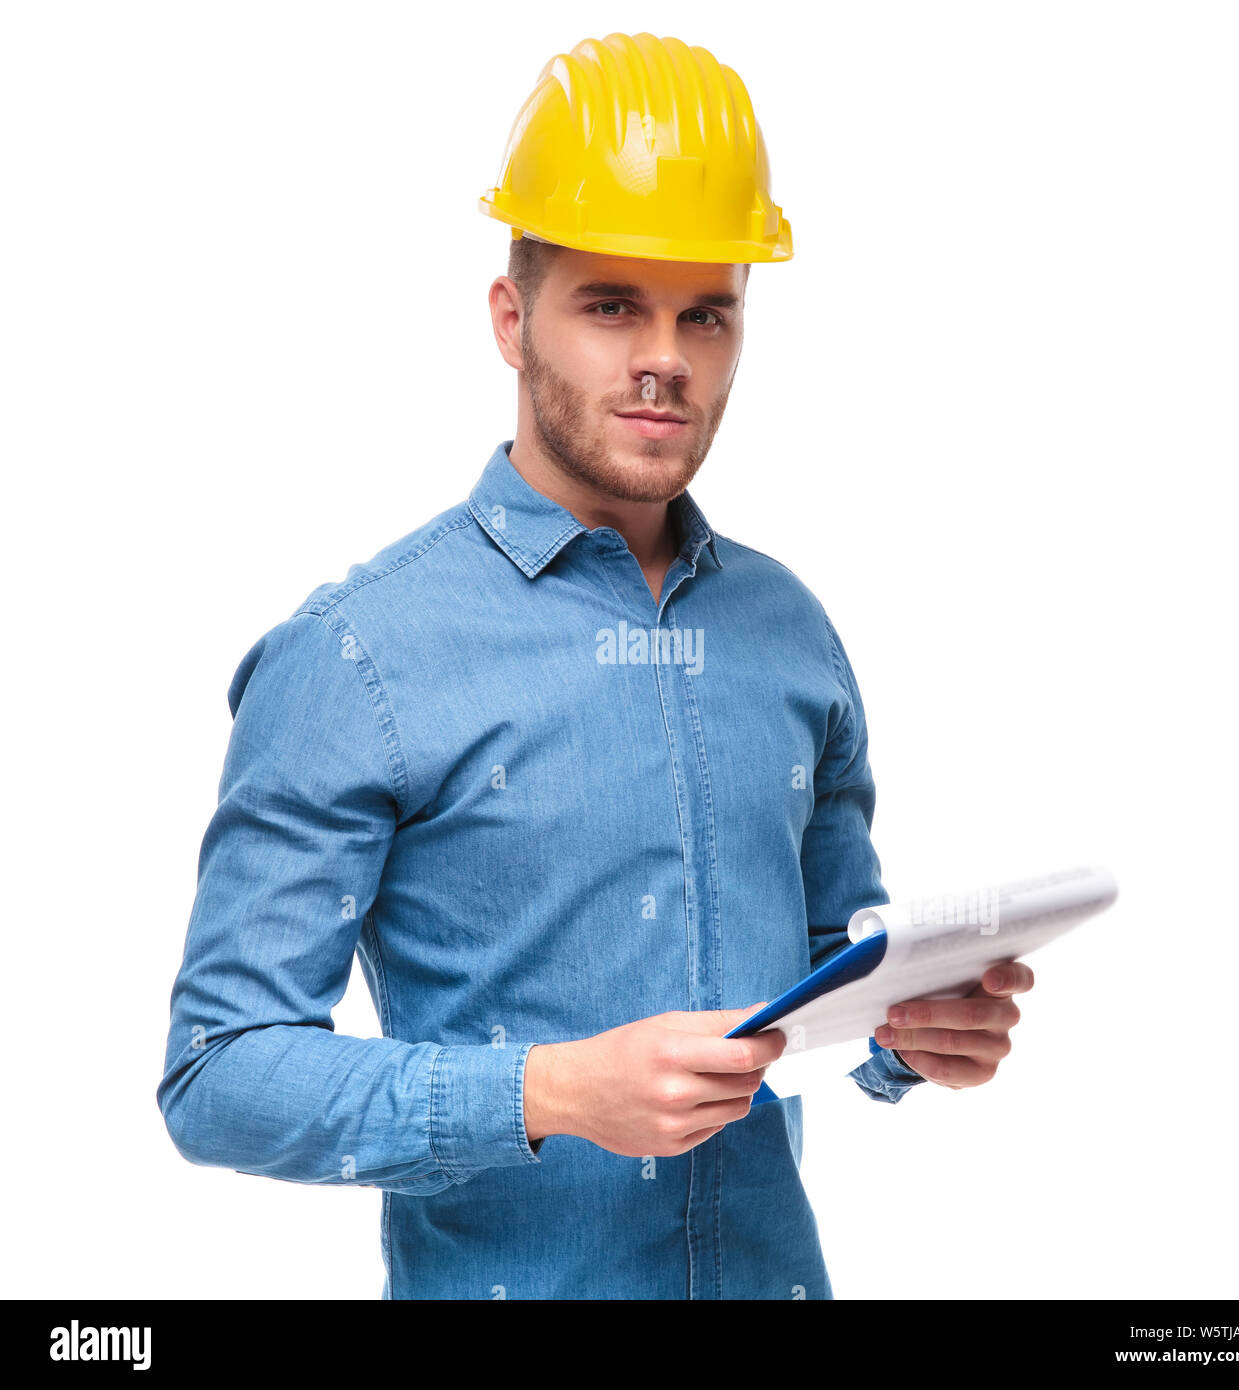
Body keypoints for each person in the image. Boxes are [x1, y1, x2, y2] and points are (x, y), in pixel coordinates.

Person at [158, 30, 1033, 1300]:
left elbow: (828, 964)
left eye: (705, 313)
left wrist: (910, 1031)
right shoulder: (355, 657)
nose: (663, 356)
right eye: (612, 302)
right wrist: (551, 1092)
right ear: (512, 320)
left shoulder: (791, 630)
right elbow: (217, 1075)